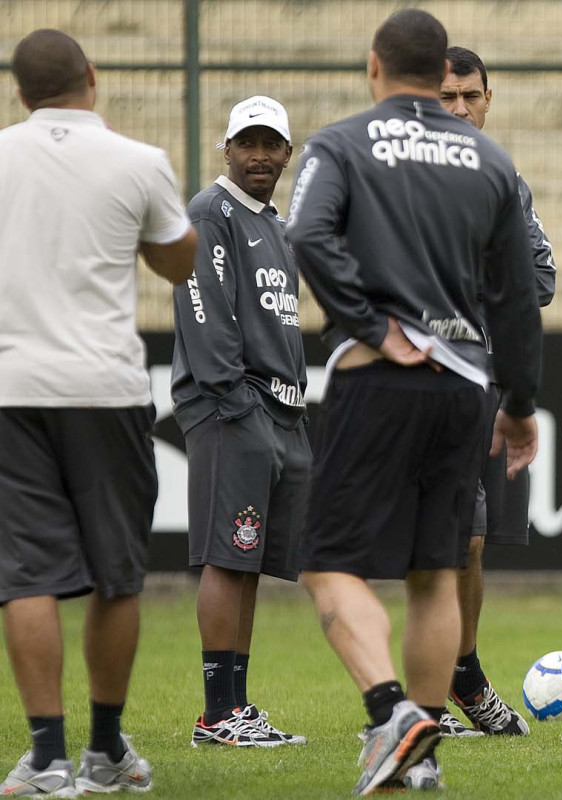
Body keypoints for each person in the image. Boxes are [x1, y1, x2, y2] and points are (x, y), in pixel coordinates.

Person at [285, 9, 543, 794]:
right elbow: (518, 297)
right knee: (436, 572)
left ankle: (391, 711)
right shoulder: (490, 161)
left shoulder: (341, 144)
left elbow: (305, 236)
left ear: (374, 67)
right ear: (443, 79)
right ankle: (419, 760)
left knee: (328, 563)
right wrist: (521, 402)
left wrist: (368, 322)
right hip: (467, 386)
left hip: (379, 375)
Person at [0, 29, 197, 796]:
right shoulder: (138, 161)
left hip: (14, 388)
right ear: (93, 77)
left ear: (20, 93)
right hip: (106, 387)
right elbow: (178, 262)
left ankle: (46, 758)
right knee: (117, 576)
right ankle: (105, 753)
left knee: (25, 576)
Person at [171, 95, 310, 748]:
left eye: (270, 144)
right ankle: (216, 713)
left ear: (287, 152)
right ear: (226, 149)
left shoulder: (276, 225)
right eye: (246, 143)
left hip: (277, 408)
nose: (259, 155)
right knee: (227, 557)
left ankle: (235, 708)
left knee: (247, 559)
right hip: (233, 407)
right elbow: (205, 313)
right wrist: (237, 403)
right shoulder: (211, 211)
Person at [436, 45, 557, 738]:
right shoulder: (404, 178)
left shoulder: (505, 179)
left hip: (484, 382)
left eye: (469, 96)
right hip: (419, 380)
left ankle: (460, 674)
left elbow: (540, 277)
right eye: (446, 96)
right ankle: (424, 695)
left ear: (489, 98)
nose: (459, 109)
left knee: (472, 538)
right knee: (447, 537)